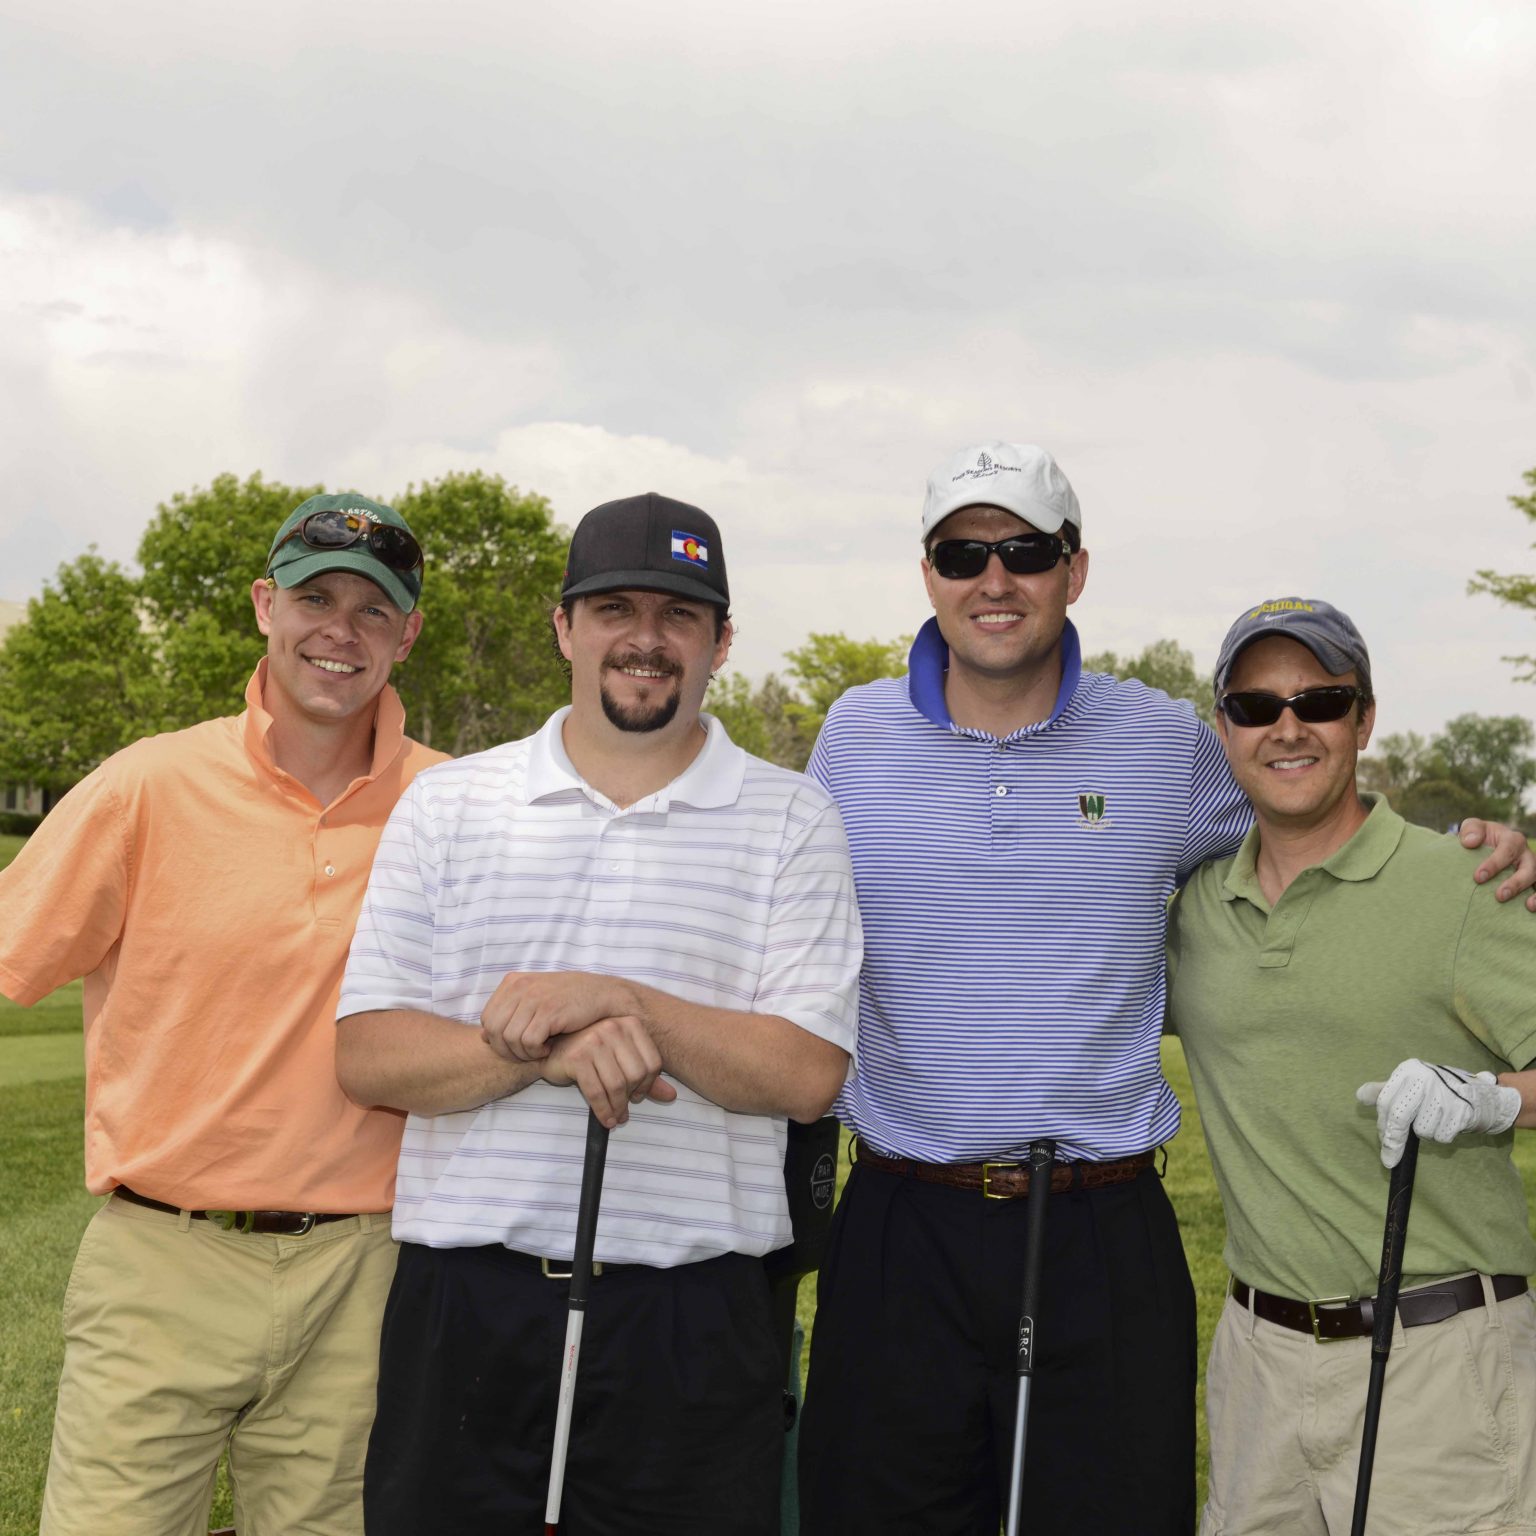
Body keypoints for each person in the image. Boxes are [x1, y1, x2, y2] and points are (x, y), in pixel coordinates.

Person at [795, 442, 1536, 1535]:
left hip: (1101, 1225)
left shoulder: (1160, 741)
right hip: (905, 1215)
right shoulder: (854, 736)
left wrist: (1487, 856)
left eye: (1025, 551)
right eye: (964, 553)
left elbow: (1312, 828)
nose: (993, 578)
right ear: (928, 573)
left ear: (1074, 570)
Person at [335, 492, 862, 1536]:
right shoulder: (451, 804)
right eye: (614, 608)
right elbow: (369, 1054)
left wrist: (623, 1002)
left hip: (696, 1313)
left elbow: (806, 1072)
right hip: (468, 1302)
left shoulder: (793, 815)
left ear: (719, 641)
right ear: (564, 626)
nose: (646, 640)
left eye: (679, 616)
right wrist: (551, 1050)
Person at [0, 493, 445, 1536]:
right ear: (263, 606)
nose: (340, 631)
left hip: (366, 1268)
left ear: (408, 634)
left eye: (374, 610)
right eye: (314, 598)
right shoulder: (144, 785)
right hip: (164, 1260)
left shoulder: (457, 806)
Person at [1166, 597, 1536, 1536]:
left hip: (1439, 1364)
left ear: (1364, 719)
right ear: (1225, 731)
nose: (1288, 728)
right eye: (1255, 707)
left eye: (1320, 700)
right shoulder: (1196, 909)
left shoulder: (1464, 885)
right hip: (1256, 1366)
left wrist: (1489, 1099)